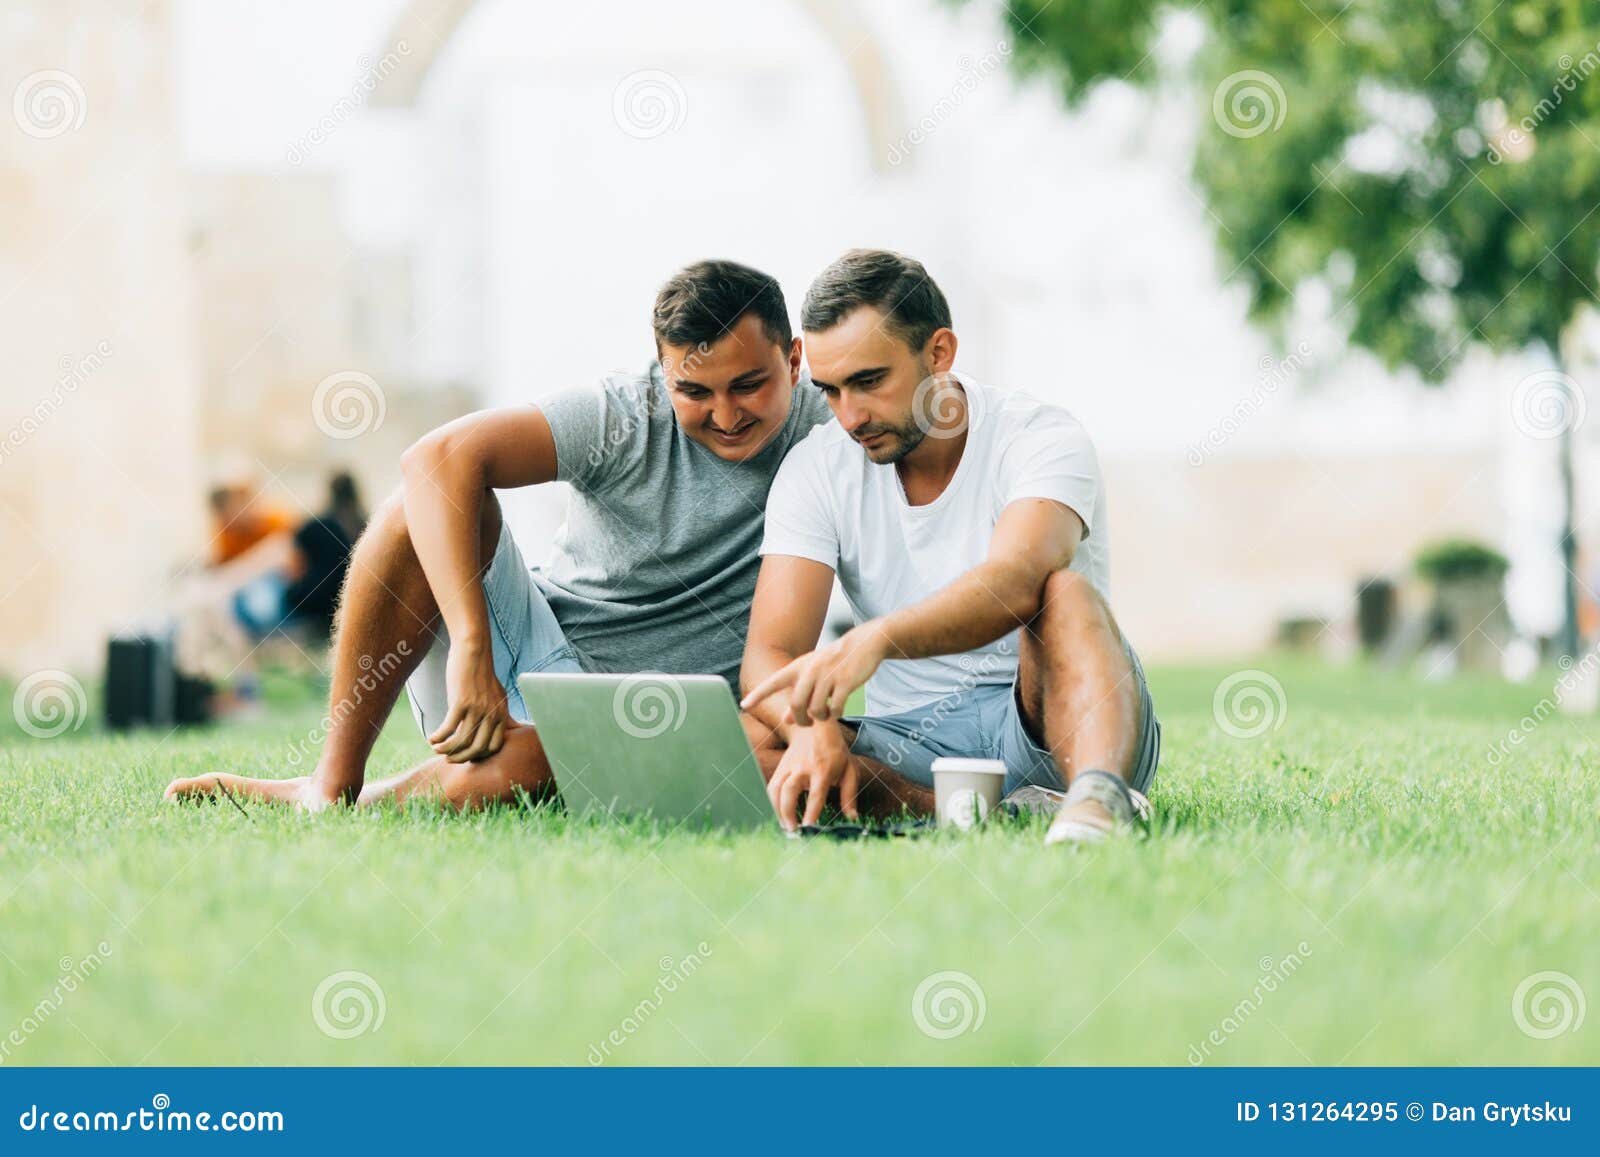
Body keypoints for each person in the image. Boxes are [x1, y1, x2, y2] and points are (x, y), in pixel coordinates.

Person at [165, 260, 829, 810]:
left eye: (749, 385)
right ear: (661, 369)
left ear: (794, 358)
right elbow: (435, 458)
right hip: (533, 657)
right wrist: (472, 646)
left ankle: (380, 798)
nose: (727, 414)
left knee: (531, 774)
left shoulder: (835, 425)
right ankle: (329, 785)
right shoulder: (621, 413)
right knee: (417, 499)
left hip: (665, 714)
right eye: (696, 391)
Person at [739, 249, 1160, 845]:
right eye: (830, 390)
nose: (850, 415)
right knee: (746, 742)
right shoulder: (816, 466)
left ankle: (1097, 798)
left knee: (1060, 589)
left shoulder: (1039, 437)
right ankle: (972, 813)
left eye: (869, 381)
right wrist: (807, 728)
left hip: (1053, 720)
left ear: (939, 352)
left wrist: (877, 639)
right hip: (909, 743)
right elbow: (771, 650)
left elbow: (1014, 582)